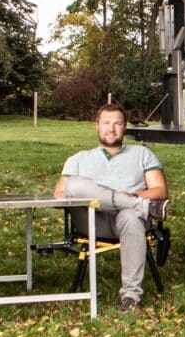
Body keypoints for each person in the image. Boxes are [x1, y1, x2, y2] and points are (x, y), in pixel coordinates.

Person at [54, 103, 169, 311]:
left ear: (125, 128)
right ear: (97, 126)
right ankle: (138, 206)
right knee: (73, 184)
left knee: (131, 218)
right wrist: (132, 200)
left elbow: (159, 190)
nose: (112, 128)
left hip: (126, 219)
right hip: (91, 220)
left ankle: (131, 297)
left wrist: (129, 197)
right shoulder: (79, 159)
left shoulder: (142, 154)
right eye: (106, 123)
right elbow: (60, 193)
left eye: (117, 123)